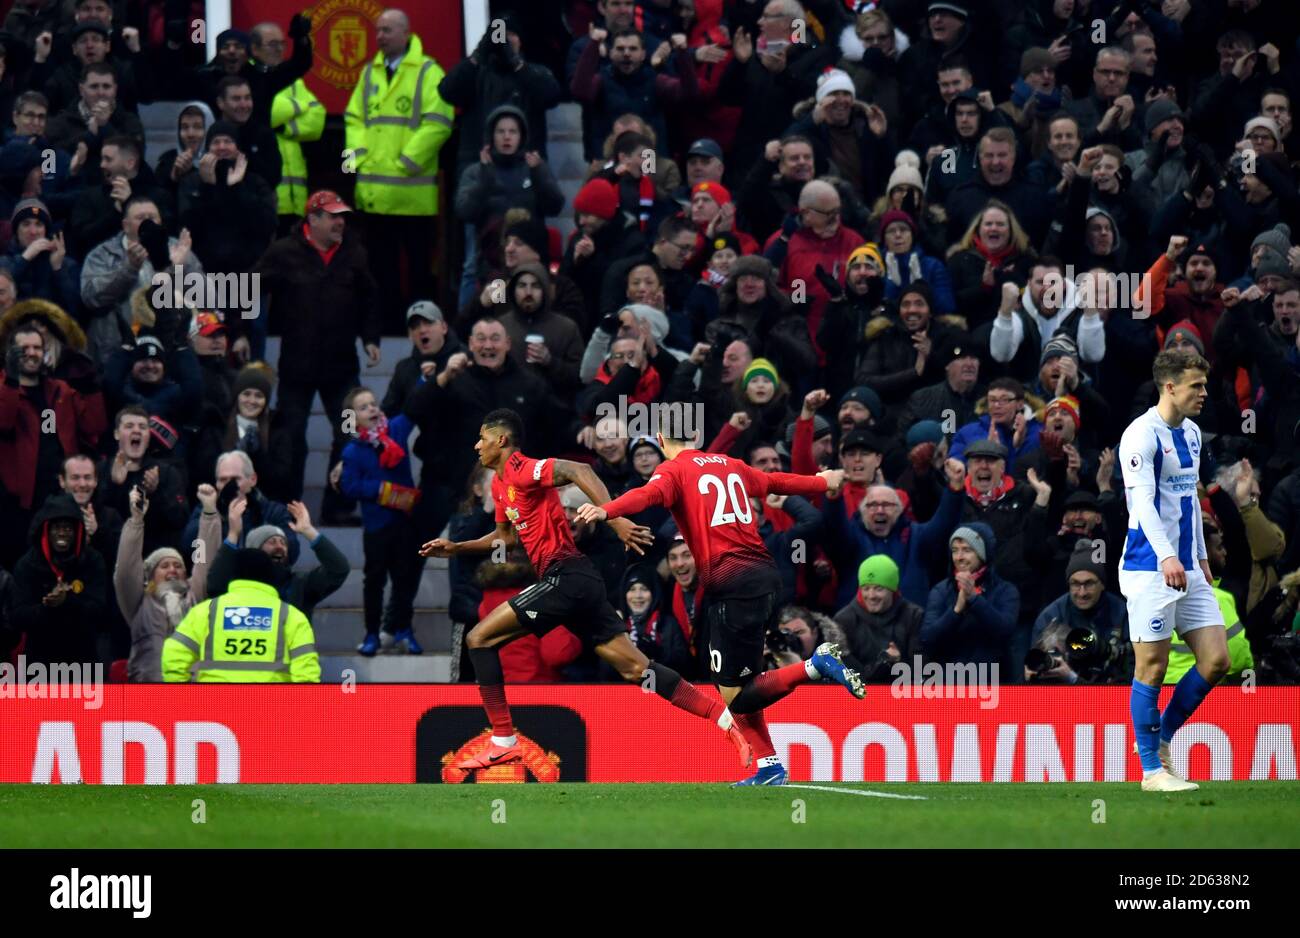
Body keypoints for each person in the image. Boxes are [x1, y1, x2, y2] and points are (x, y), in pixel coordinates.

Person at [419, 408, 757, 773]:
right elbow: (505, 539)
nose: (476, 446)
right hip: (579, 583)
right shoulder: (501, 486)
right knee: (636, 670)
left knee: (479, 639)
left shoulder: (524, 468)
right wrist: (457, 548)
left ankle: (503, 740)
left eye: (482, 438)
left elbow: (581, 470)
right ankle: (725, 719)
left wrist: (615, 518)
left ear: (501, 441)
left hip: (565, 577)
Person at [577, 415, 862, 786]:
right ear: (696, 435)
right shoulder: (731, 465)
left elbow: (645, 495)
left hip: (732, 584)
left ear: (661, 439)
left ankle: (815, 665)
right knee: (741, 679)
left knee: (734, 696)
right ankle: (770, 766)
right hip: (765, 576)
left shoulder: (673, 470)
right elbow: (776, 482)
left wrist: (606, 510)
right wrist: (821, 482)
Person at [1118, 349, 1231, 792]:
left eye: (1204, 385)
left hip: (1188, 566)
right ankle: (1151, 772)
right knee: (1151, 667)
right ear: (1169, 387)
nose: (1204, 393)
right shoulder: (1139, 436)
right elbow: (1142, 502)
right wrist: (1167, 556)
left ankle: (1160, 738)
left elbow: (1189, 499)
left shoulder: (1194, 433)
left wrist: (1199, 555)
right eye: (1196, 386)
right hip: (1150, 567)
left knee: (1216, 659)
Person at [252, 190, 380, 523]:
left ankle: (337, 508)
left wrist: (370, 338)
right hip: (298, 368)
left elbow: (370, 298)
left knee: (349, 434)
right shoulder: (284, 252)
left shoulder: (355, 253)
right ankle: (288, 511)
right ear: (313, 219)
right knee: (291, 438)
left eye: (342, 216)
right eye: (333, 216)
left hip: (341, 368)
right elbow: (251, 287)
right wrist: (241, 333)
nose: (340, 222)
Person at [344, 8, 453, 332]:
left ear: (405, 33)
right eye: (377, 30)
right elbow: (353, 119)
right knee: (379, 267)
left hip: (412, 195)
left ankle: (422, 328)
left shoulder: (428, 72)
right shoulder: (368, 73)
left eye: (387, 30)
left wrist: (408, 161)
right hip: (374, 194)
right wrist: (354, 161)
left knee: (419, 267)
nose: (380, 36)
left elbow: (439, 122)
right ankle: (386, 326)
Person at [0, 323, 105, 569]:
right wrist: (12, 381)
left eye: (37, 347)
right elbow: (3, 423)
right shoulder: (4, 387)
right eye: (23, 348)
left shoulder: (60, 390)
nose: (31, 352)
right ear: (10, 352)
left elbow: (94, 426)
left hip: (59, 498)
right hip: (17, 505)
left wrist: (91, 386)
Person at [338, 386, 426, 656]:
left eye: (373, 404)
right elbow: (349, 486)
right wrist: (378, 489)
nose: (372, 409)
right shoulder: (353, 451)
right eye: (363, 407)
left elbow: (414, 406)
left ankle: (403, 629)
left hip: (404, 522)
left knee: (404, 578)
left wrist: (423, 379)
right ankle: (372, 633)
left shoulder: (396, 431)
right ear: (352, 419)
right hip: (376, 526)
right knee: (374, 581)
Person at [161, 547, 320, 683]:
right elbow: (306, 674)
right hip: (271, 711)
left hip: (214, 708)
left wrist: (183, 697)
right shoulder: (291, 616)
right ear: (270, 576)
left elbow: (173, 657)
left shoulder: (206, 611)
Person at [116, 482, 220, 681]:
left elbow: (205, 562)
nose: (173, 569)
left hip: (190, 693)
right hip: (148, 692)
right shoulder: (139, 602)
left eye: (178, 565)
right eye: (164, 566)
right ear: (150, 576)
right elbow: (126, 571)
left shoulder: (194, 597)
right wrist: (136, 521)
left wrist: (208, 514)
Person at [205, 499, 348, 622]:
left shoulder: (299, 585)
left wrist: (309, 530)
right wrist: (233, 533)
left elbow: (339, 569)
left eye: (283, 542)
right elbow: (214, 584)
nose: (280, 546)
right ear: (255, 550)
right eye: (272, 542)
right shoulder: (236, 585)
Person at [9, 493, 108, 669]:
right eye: (56, 528)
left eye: (68, 528)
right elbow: (17, 617)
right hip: (39, 663)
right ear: (46, 531)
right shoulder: (27, 565)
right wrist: (47, 607)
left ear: (77, 532)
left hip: (83, 660)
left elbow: (101, 614)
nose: (62, 533)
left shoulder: (93, 561)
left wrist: (67, 602)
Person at [249, 20, 325, 232]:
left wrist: (285, 128)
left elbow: (317, 118)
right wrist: (299, 106)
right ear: (254, 49)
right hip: (265, 196)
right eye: (272, 44)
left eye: (282, 43)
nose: (279, 49)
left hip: (296, 197)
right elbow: (268, 112)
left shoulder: (293, 79)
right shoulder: (249, 76)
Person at [921, 523, 1020, 669]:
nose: (959, 557)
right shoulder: (940, 591)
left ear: (983, 554)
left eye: (967, 550)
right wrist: (956, 611)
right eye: (954, 551)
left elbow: (1005, 632)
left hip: (992, 681)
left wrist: (975, 599)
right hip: (949, 680)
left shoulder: (1005, 591)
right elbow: (927, 639)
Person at [833, 554, 926, 683]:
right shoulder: (843, 620)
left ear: (893, 590)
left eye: (879, 589)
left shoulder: (913, 616)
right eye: (866, 588)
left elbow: (921, 670)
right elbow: (844, 673)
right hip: (859, 696)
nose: (871, 595)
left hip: (901, 694)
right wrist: (884, 662)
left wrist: (899, 663)